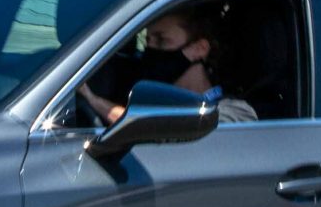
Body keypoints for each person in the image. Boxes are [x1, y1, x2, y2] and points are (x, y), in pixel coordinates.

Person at [79, 7, 258, 126]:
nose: (151, 50)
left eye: (162, 40)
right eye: (148, 41)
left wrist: (94, 101)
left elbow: (166, 130)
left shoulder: (236, 113)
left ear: (199, 49)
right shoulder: (153, 104)